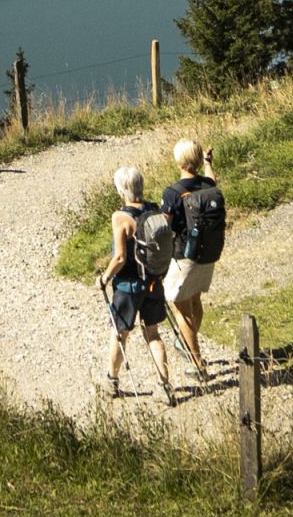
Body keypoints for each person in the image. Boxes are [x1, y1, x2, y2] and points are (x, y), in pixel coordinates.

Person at [95, 163, 177, 404]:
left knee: (119, 334)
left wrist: (104, 278)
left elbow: (120, 257)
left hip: (128, 287)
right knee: (153, 333)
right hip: (153, 281)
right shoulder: (155, 211)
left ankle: (112, 382)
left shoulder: (121, 217)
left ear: (122, 191)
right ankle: (164, 386)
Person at [158, 138, 228, 373]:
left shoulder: (172, 193)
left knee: (180, 309)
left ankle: (197, 363)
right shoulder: (208, 186)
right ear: (197, 160)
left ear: (179, 161)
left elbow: (163, 229)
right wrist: (208, 162)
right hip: (207, 254)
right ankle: (187, 343)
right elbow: (212, 178)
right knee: (195, 301)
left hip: (183, 257)